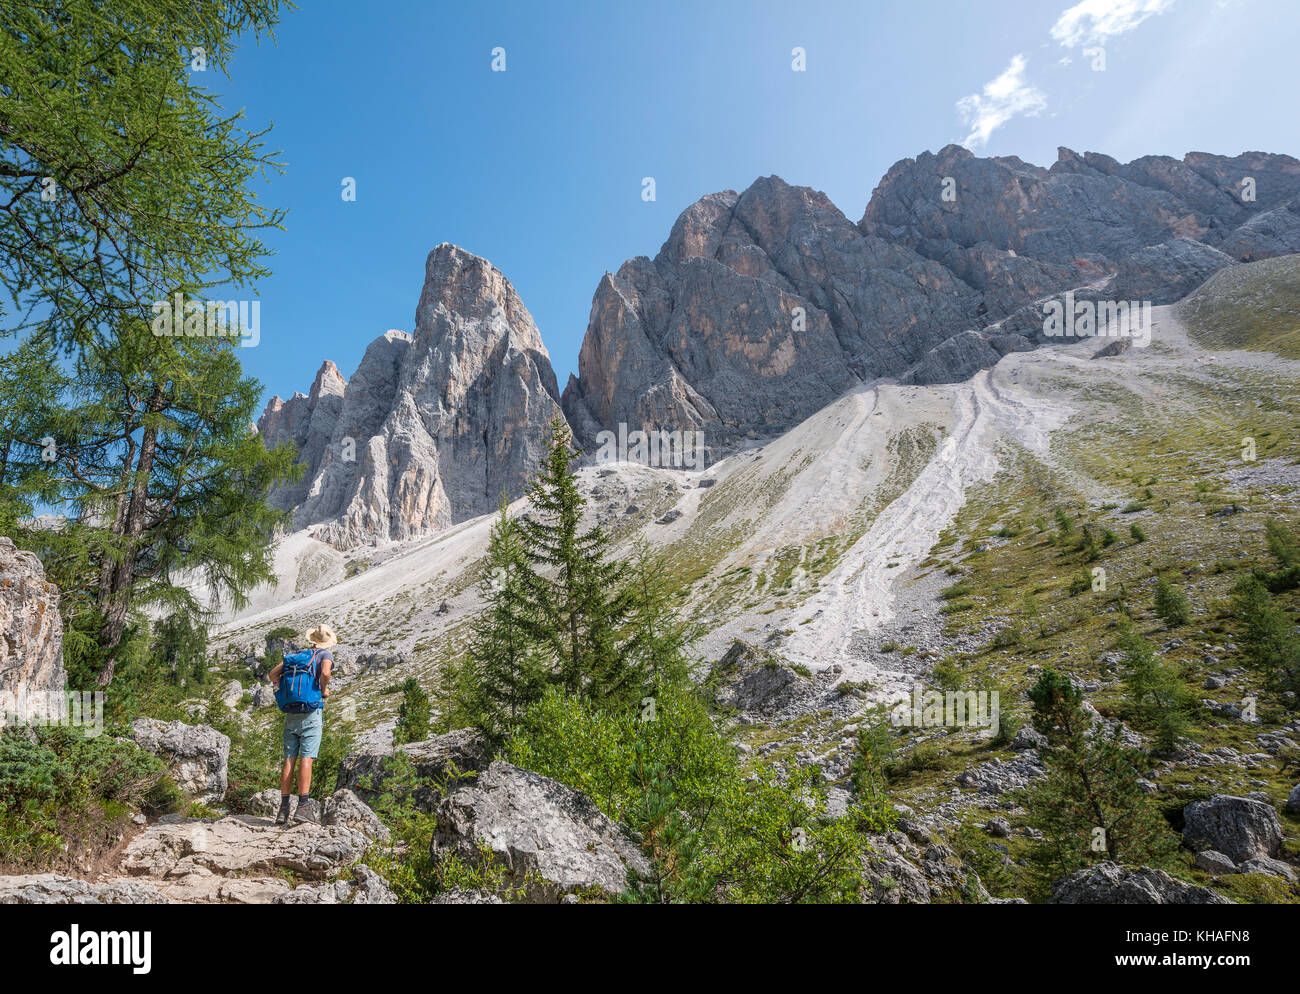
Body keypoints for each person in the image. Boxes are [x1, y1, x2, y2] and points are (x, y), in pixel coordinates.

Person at [268, 623, 336, 825]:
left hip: (291, 714)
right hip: (311, 713)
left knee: (289, 758)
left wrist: (281, 689)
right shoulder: (325, 656)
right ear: (328, 643)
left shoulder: (297, 655)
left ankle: (283, 808)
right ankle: (303, 807)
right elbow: (325, 673)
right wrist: (324, 690)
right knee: (307, 757)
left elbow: (273, 675)